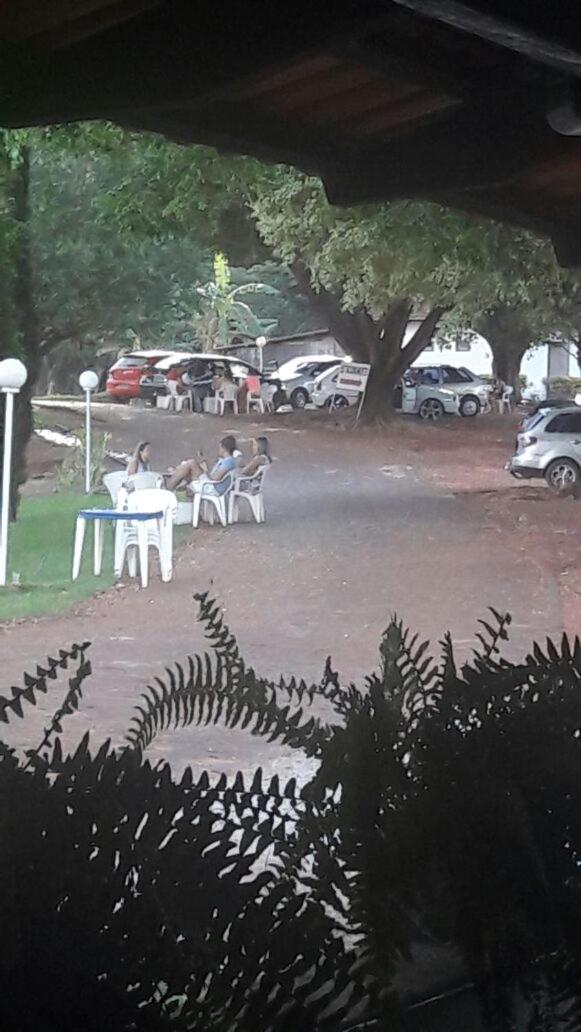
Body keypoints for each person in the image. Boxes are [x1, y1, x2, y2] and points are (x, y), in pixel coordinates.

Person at [166, 435, 238, 494]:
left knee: (191, 463)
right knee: (187, 468)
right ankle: (171, 484)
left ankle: (167, 489)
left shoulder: (229, 461)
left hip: (212, 488)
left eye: (219, 448)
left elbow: (215, 478)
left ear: (223, 448)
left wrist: (205, 469)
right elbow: (213, 476)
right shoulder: (225, 460)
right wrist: (203, 465)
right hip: (210, 484)